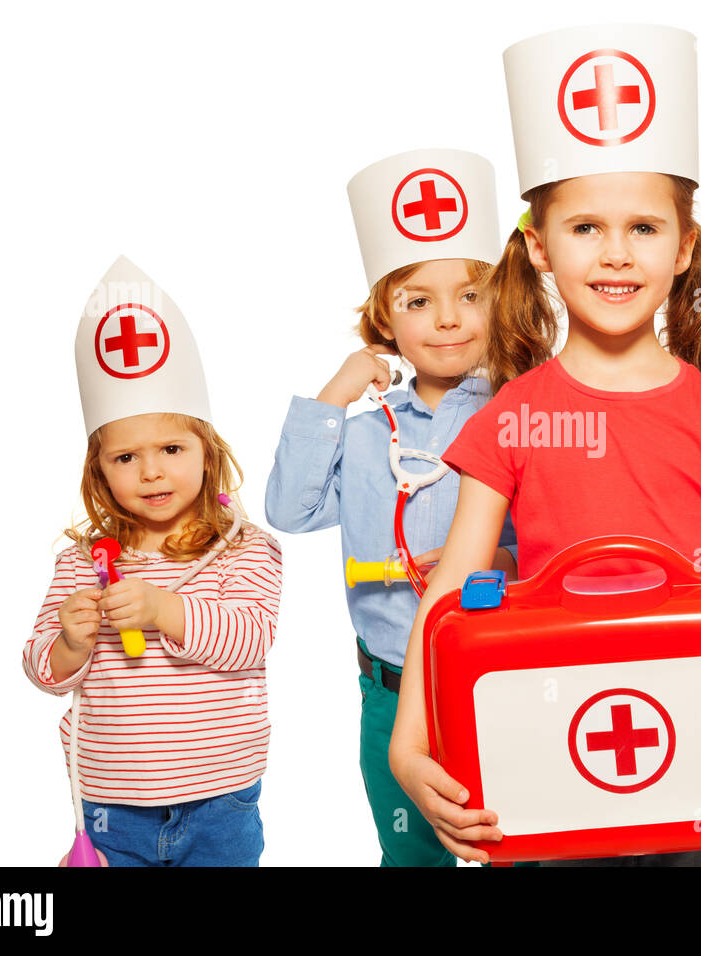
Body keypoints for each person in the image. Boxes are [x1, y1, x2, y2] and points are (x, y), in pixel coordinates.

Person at [389, 24, 701, 866]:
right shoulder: (511, 417)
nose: (616, 254)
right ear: (540, 248)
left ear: (684, 248)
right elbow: (454, 584)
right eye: (585, 229)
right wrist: (409, 739)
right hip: (550, 745)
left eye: (644, 228)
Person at [265, 149, 517, 866]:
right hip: (389, 690)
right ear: (384, 317)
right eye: (417, 301)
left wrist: (495, 560)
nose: (447, 319)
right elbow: (290, 508)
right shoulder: (366, 427)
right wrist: (332, 397)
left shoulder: (521, 413)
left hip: (503, 678)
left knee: (525, 845)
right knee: (411, 857)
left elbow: (555, 537)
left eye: (471, 295)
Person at [26, 256, 282, 867]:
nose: (151, 471)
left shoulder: (244, 547)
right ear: (99, 470)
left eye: (171, 447)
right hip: (111, 806)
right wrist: (70, 639)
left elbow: (250, 639)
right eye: (125, 458)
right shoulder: (82, 561)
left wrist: (163, 608)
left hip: (219, 804)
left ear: (206, 450)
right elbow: (42, 671)